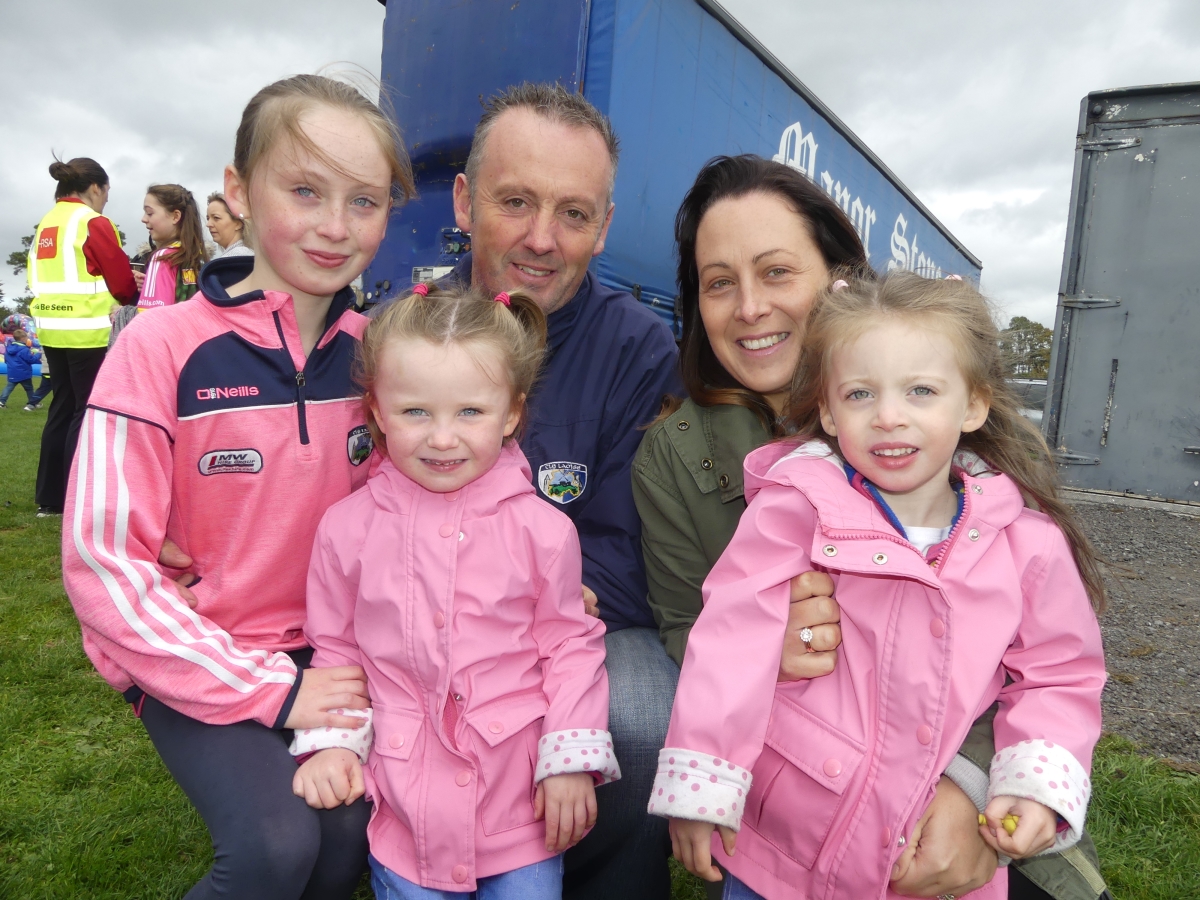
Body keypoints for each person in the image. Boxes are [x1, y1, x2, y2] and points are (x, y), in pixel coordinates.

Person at [378, 84, 840, 900]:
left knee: (634, 715)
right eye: (515, 202)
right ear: (463, 198)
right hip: (411, 614)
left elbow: (638, 555)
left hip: (576, 623)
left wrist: (501, 604)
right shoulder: (399, 332)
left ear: (606, 224)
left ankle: (606, 878)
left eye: (575, 214)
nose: (542, 240)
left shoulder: (637, 347)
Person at [634, 154, 1111, 900]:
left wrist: (989, 782)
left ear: (839, 278)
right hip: (795, 825)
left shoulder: (999, 502)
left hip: (952, 792)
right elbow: (699, 629)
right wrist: (767, 658)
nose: (750, 306)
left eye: (777, 271)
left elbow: (1055, 665)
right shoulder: (717, 467)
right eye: (719, 282)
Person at [61, 73, 416, 899]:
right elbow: (103, 564)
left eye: (365, 201)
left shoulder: (380, 357)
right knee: (274, 848)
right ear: (238, 191)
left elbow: (431, 492)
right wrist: (275, 690)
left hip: (329, 652)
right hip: (196, 654)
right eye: (304, 190)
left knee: (348, 839)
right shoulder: (160, 349)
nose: (335, 227)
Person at [293, 282, 620, 898]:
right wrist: (331, 746)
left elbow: (571, 649)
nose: (443, 438)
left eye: (470, 412)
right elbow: (335, 650)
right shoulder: (346, 529)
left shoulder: (544, 530)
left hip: (516, 806)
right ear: (378, 411)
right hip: (404, 806)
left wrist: (570, 757)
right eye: (416, 412)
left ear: (513, 413)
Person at [29, 156, 138, 517]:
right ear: (95, 188)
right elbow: (121, 282)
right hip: (87, 329)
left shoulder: (47, 224)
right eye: (106, 192)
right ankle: (79, 496)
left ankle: (50, 498)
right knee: (86, 411)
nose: (106, 200)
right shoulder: (92, 222)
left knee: (61, 407)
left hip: (50, 328)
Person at [138, 183, 208, 310]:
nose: (143, 219)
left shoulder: (162, 257)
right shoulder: (197, 257)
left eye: (149, 213)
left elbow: (149, 318)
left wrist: (120, 313)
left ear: (175, 216)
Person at [1, 328, 41, 408]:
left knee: (9, 388)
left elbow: (6, 360)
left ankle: (1, 402)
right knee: (29, 389)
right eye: (26, 338)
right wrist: (38, 354)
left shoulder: (8, 348)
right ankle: (33, 403)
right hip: (24, 373)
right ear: (23, 338)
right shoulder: (24, 349)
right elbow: (31, 360)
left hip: (12, 372)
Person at [207, 191, 254, 259]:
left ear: (238, 223)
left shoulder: (233, 259)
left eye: (216, 218)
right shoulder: (249, 255)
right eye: (208, 218)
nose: (208, 224)